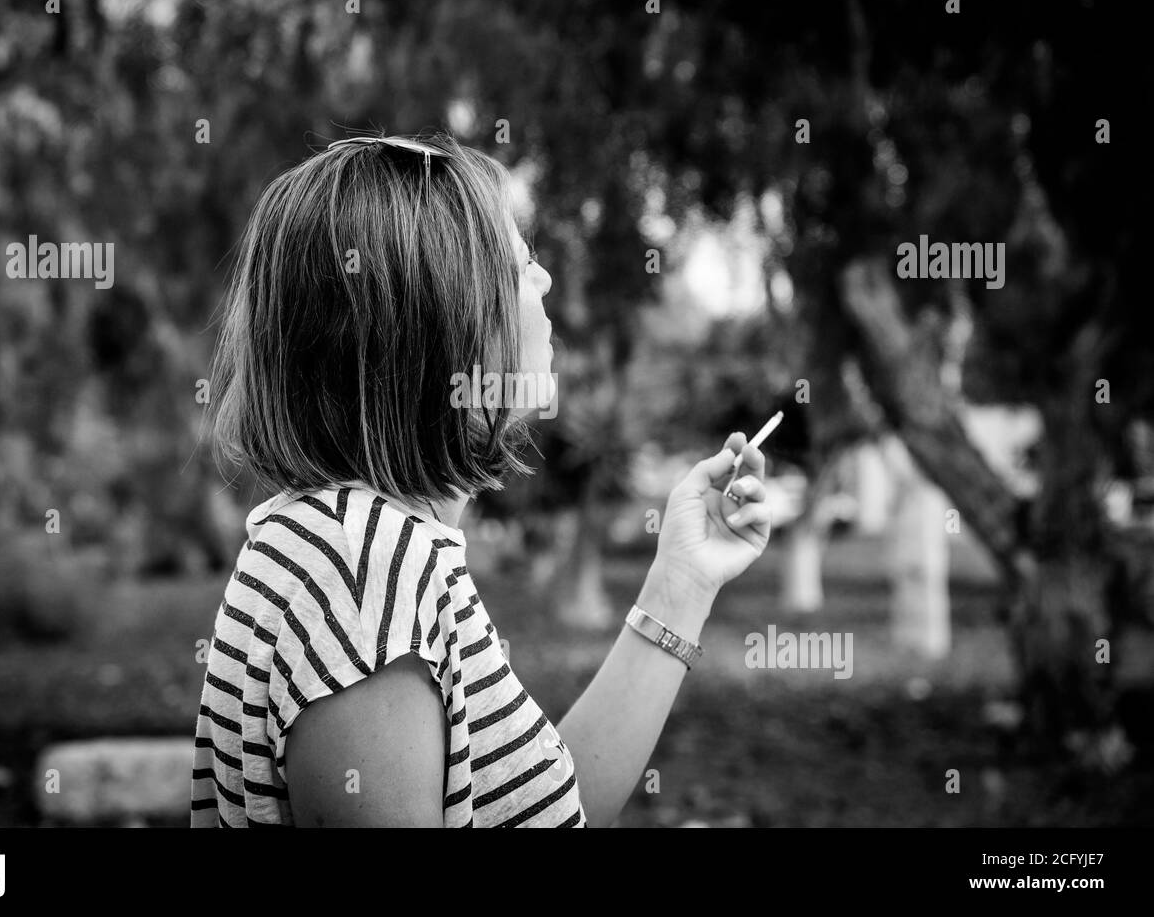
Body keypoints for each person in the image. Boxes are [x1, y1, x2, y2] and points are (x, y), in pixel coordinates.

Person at [190, 132, 771, 827]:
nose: (545, 279)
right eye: (521, 262)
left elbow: (551, 806)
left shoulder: (369, 544)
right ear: (439, 315)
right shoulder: (363, 569)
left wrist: (682, 583)